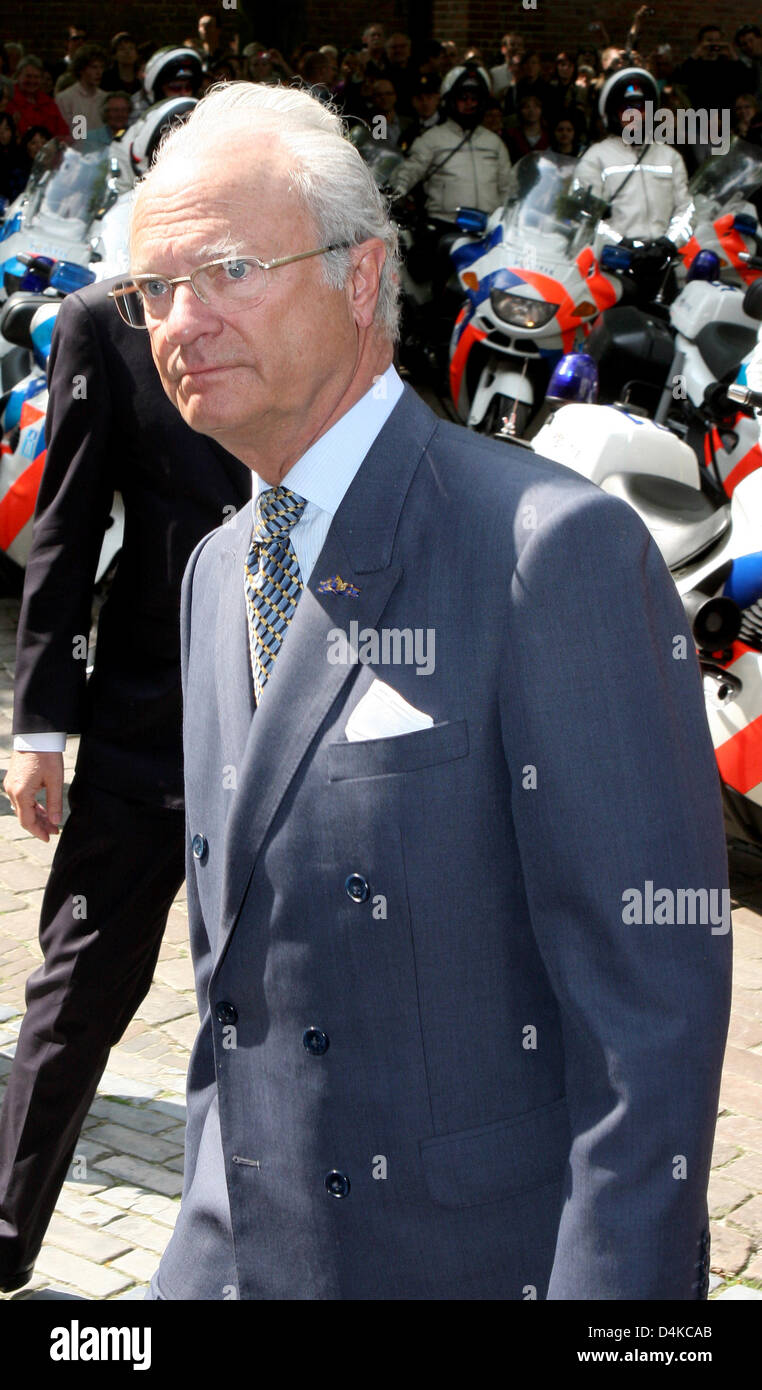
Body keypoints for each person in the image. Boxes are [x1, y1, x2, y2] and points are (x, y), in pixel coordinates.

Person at [122, 79, 730, 1302]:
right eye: (152, 290)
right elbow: (239, 996)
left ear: (360, 277)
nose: (182, 322)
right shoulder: (214, 572)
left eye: (229, 269)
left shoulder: (549, 554)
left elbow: (648, 1027)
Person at [0, 276, 251, 1296]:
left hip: (302, 719)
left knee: (286, 1006)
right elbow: (64, 526)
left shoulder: (326, 291)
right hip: (150, 718)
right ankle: (7, 1233)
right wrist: (41, 727)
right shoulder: (109, 322)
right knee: (80, 988)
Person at [573, 66, 693, 270]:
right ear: (612, 114)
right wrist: (622, 245)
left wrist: (668, 244)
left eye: (641, 109)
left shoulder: (670, 157)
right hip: (614, 265)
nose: (635, 117)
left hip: (663, 265)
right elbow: (584, 216)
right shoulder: (595, 157)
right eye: (626, 110)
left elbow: (687, 209)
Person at [393, 63, 512, 223]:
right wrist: (395, 192)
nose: (469, 104)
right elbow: (409, 171)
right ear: (450, 100)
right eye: (463, 98)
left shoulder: (494, 142)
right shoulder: (432, 138)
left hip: (488, 229)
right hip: (444, 226)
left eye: (474, 99)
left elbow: (507, 188)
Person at [7, 56, 69, 141]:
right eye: (28, 76)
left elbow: (63, 132)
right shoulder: (8, 100)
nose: (32, 81)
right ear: (18, 76)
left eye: (36, 77)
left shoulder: (48, 102)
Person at [55, 43, 108, 140]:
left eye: (101, 67)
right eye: (94, 67)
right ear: (81, 69)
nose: (99, 72)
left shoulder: (105, 99)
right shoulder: (65, 98)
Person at [101, 32, 142, 96]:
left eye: (131, 48)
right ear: (114, 55)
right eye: (122, 49)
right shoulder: (106, 79)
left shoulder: (143, 77)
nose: (127, 52)